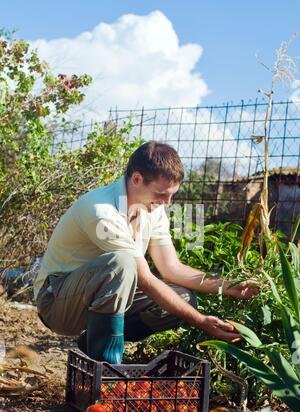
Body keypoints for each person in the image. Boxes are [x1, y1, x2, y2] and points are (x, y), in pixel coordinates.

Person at [34, 141, 259, 364]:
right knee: (121, 262)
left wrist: (227, 286)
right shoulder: (102, 210)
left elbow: (172, 268)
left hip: (100, 297)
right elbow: (144, 278)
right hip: (57, 303)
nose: (167, 202)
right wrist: (201, 321)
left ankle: (92, 345)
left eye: (172, 195)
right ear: (137, 179)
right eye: (161, 193)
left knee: (184, 299)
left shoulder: (154, 208)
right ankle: (106, 367)